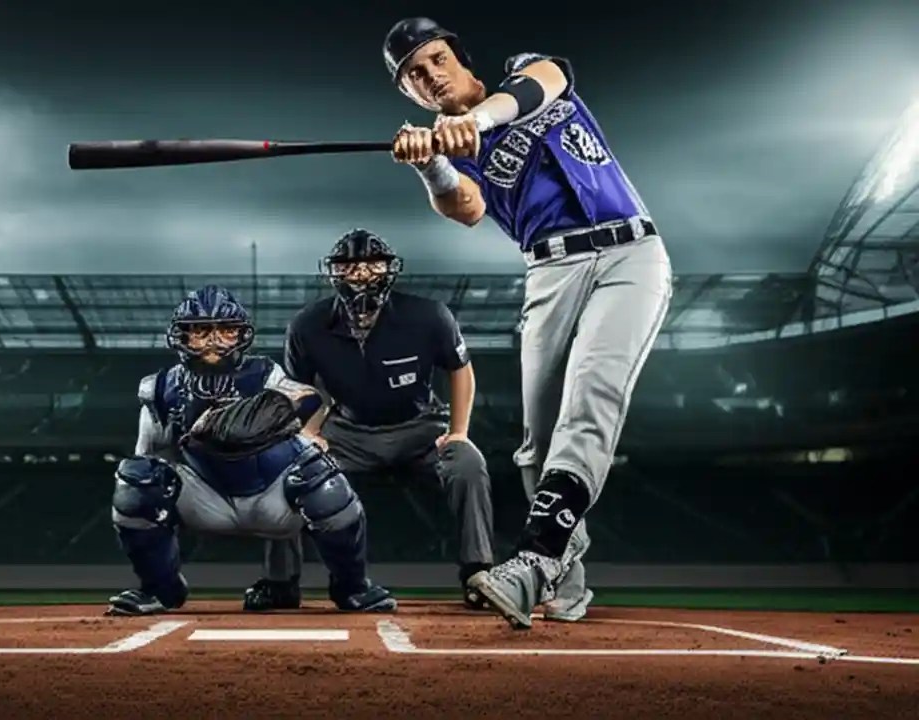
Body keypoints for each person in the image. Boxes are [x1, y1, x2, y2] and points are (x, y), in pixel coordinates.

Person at [382, 17, 674, 629]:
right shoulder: (451, 145)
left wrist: (477, 122)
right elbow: (464, 208)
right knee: (537, 447)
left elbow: (548, 80)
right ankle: (568, 586)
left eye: (435, 58)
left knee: (589, 398)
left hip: (628, 256)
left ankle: (534, 560)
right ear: (407, 92)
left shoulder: (524, 73)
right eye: (413, 73)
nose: (429, 75)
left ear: (457, 55)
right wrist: (429, 162)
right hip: (549, 274)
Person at [242, 229, 497, 612]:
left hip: (420, 429)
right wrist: (311, 433)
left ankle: (479, 574)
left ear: (389, 269)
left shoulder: (428, 315)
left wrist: (458, 432)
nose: (361, 273)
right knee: (286, 468)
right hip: (348, 432)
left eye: (371, 264)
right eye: (349, 266)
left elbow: (460, 369)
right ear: (333, 273)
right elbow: (300, 390)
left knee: (469, 464)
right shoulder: (307, 325)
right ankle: (281, 582)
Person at [106, 284, 396, 616]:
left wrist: (294, 424)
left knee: (323, 477)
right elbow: (148, 457)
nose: (213, 340)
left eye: (225, 330)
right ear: (182, 336)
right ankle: (160, 587)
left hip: (272, 493)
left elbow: (310, 398)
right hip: (206, 495)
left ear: (240, 334)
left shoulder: (264, 373)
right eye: (201, 330)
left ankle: (352, 587)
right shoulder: (159, 389)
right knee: (136, 480)